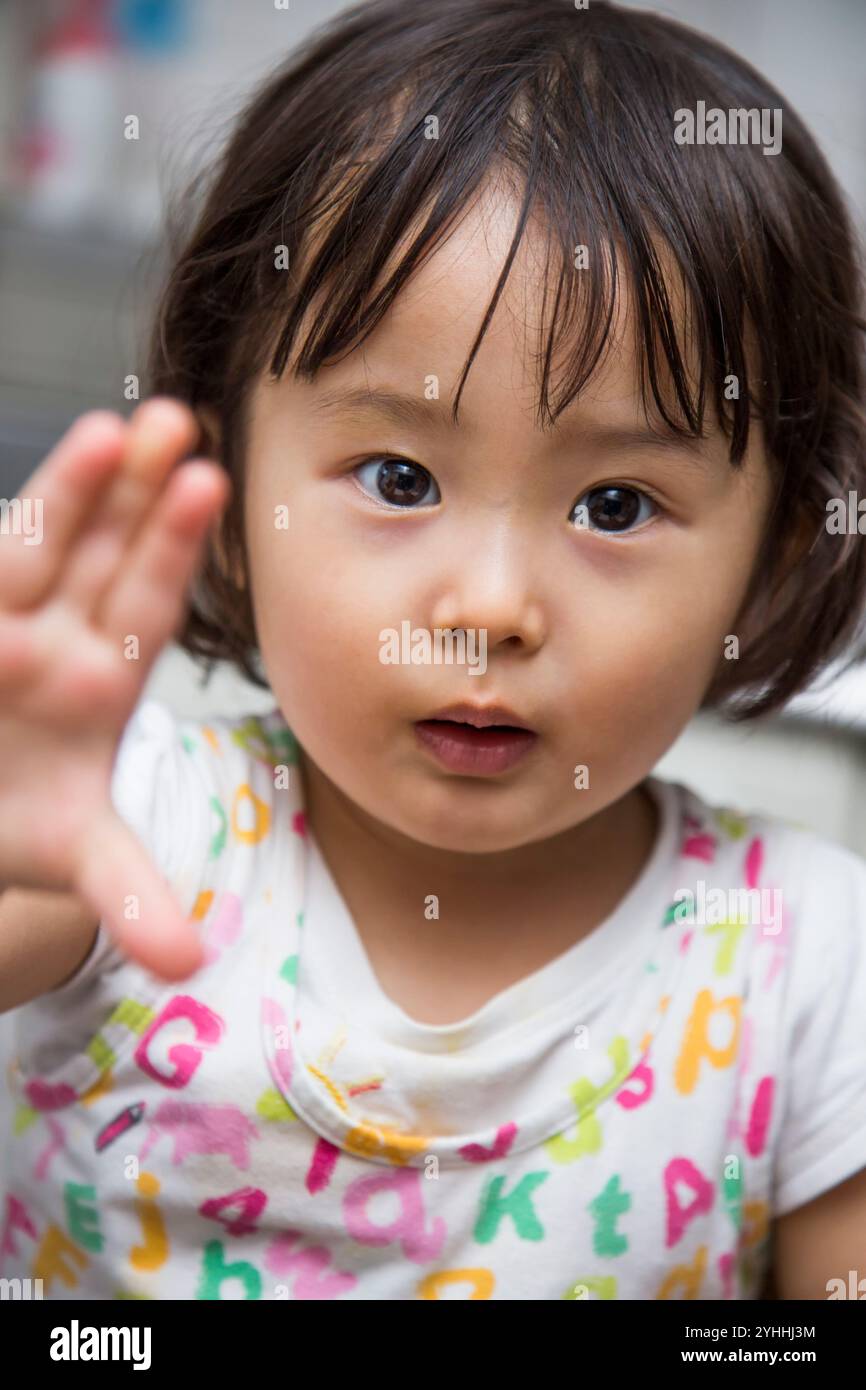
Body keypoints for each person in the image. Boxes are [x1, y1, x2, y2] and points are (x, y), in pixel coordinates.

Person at [1, 0, 865, 1301]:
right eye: (398, 476)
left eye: (614, 506)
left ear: (773, 557)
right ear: (228, 495)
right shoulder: (124, 833)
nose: (492, 606)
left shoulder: (806, 963)